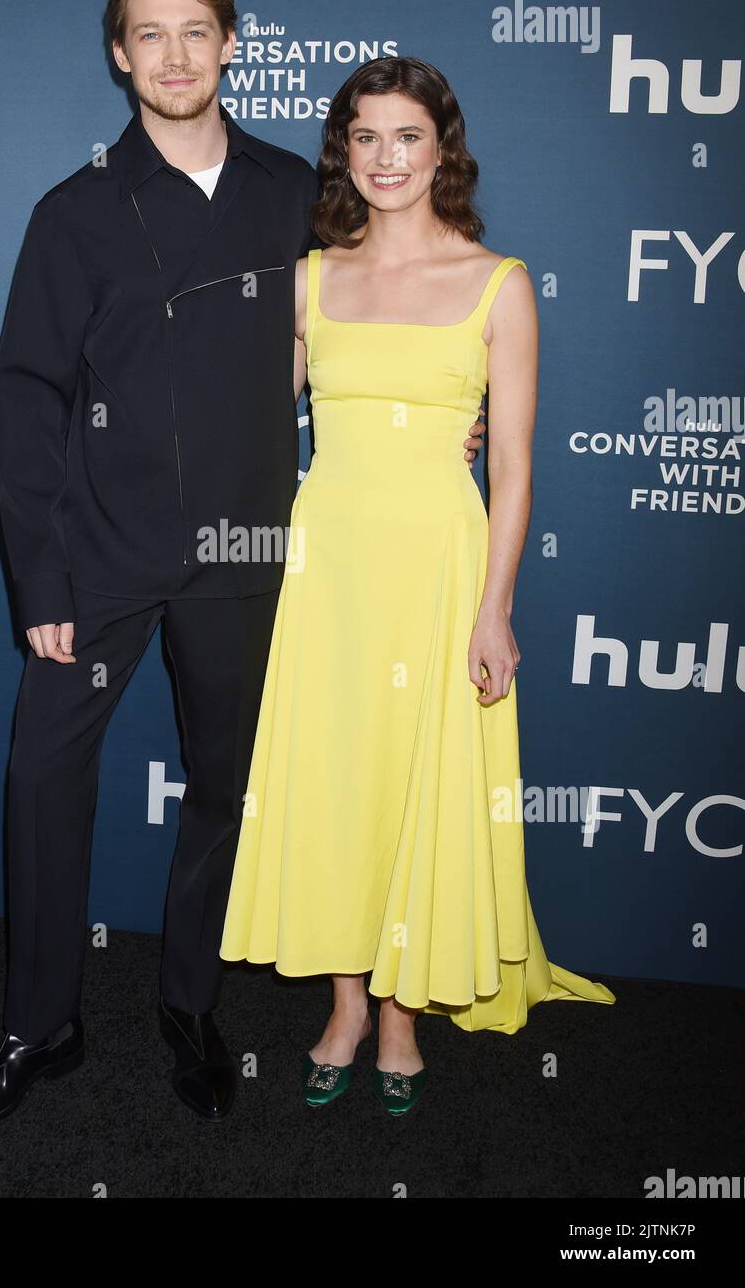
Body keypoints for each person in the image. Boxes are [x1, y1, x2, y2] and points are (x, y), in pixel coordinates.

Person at [0, 0, 487, 1134]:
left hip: (249, 561)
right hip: (99, 558)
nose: (176, 55)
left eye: (197, 32)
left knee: (226, 795)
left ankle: (191, 1010)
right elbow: (23, 396)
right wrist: (41, 573)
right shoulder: (71, 212)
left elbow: (385, 287)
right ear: (119, 55)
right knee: (39, 781)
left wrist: (442, 391)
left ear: (230, 45)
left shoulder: (299, 194)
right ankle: (42, 1026)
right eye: (151, 35)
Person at [220, 56, 615, 1116]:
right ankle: (346, 1004)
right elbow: (257, 427)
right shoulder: (311, 277)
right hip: (328, 568)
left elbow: (516, 464)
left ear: (445, 150)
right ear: (342, 151)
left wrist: (496, 607)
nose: (385, 158)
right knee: (340, 780)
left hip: (440, 567)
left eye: (407, 137)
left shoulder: (499, 282)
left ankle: (401, 1014)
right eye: (365, 136)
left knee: (415, 782)